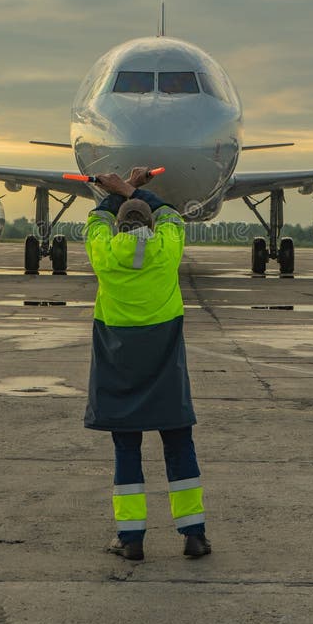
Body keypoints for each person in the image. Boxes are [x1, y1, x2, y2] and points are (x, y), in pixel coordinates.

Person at [83, 166, 211, 561]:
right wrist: (135, 190)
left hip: (119, 366)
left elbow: (96, 219)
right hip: (164, 366)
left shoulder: (103, 253)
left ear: (118, 229)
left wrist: (120, 190)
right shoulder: (167, 250)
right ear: (152, 227)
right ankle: (193, 535)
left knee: (127, 449)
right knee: (179, 445)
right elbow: (172, 214)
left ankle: (131, 539)